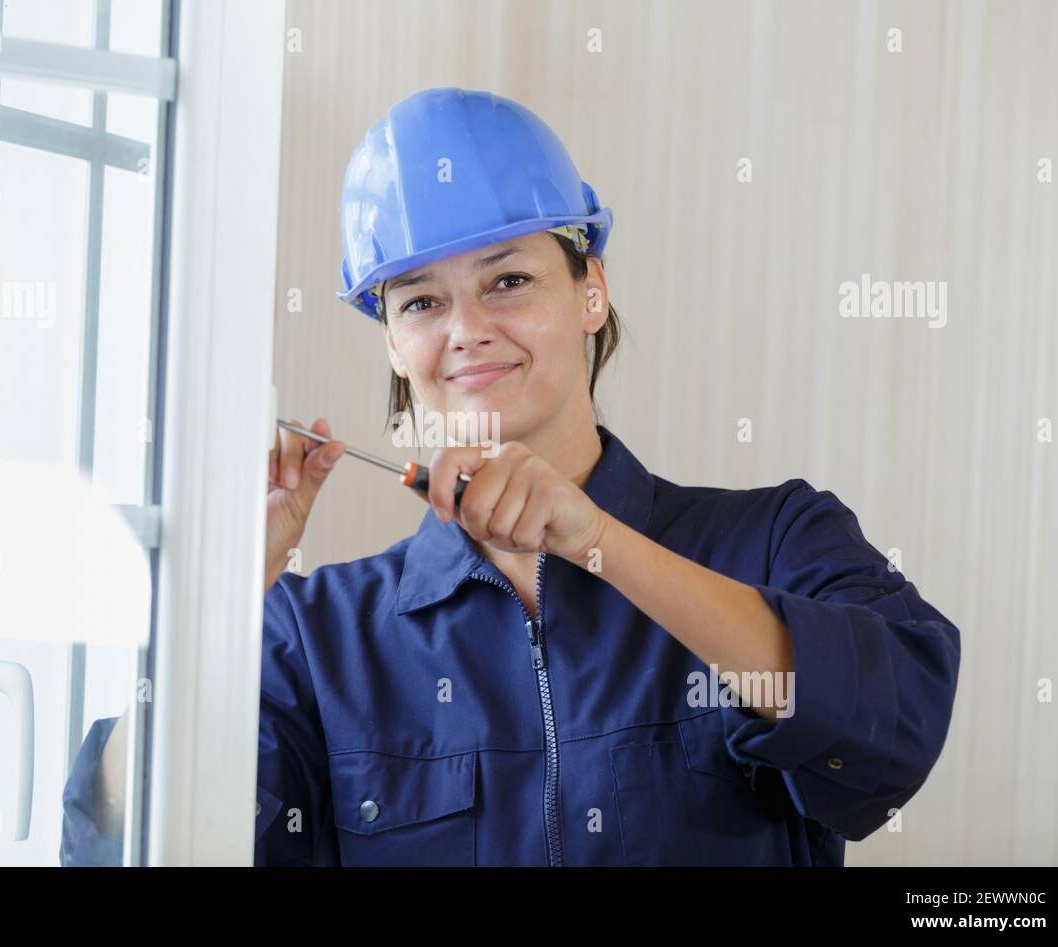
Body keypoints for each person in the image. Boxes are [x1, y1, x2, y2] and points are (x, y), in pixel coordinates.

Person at [61, 87, 960, 866]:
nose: (466, 329)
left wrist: (601, 544)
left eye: (508, 281)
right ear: (393, 339)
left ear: (590, 290)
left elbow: (894, 733)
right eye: (421, 300)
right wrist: (214, 602)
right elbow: (124, 841)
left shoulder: (771, 541)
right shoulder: (314, 641)